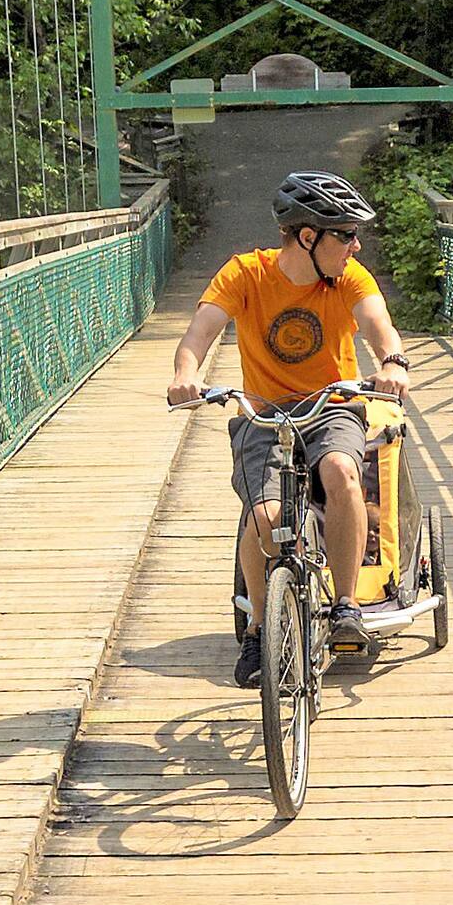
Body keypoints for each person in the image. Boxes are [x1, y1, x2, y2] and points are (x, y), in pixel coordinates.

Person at [164, 171, 408, 689]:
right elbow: (198, 333)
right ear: (307, 237)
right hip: (263, 412)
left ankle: (345, 607)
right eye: (344, 234)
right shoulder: (245, 275)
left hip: (332, 406)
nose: (355, 245)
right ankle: (257, 628)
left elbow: (378, 322)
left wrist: (393, 362)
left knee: (343, 471)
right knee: (264, 514)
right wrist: (186, 376)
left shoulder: (348, 278)